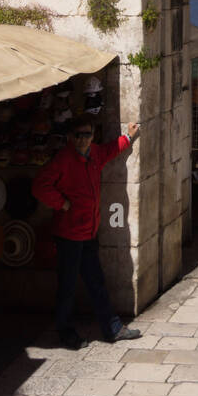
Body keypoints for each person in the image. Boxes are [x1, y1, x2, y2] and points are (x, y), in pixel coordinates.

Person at [33, 115, 141, 349]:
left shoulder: (94, 154)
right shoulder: (63, 160)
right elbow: (40, 186)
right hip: (69, 235)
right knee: (68, 287)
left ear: (93, 136)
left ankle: (112, 328)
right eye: (79, 135)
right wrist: (62, 204)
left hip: (89, 232)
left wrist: (128, 137)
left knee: (96, 282)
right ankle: (65, 331)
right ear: (71, 138)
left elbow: (112, 150)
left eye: (87, 134)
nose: (83, 139)